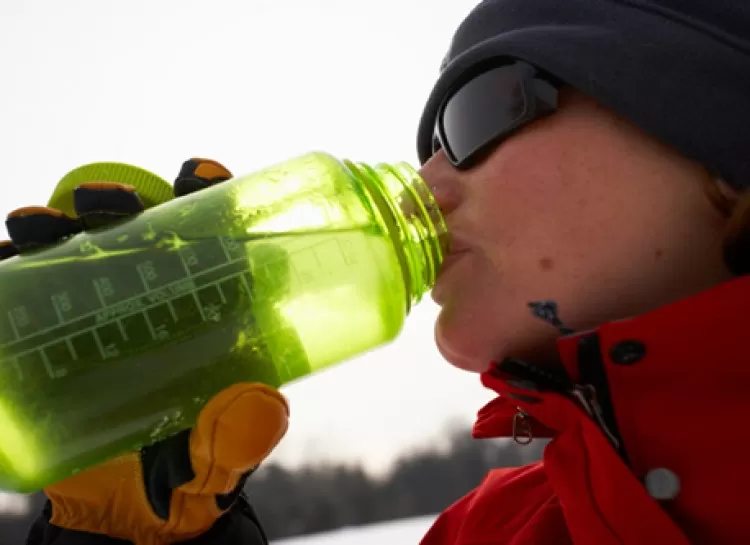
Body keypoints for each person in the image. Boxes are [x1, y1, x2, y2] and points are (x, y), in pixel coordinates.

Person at [13, 0, 750, 542]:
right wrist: (138, 537)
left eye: (477, 111)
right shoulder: (490, 532)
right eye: (425, 143)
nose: (428, 181)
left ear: (718, 145)